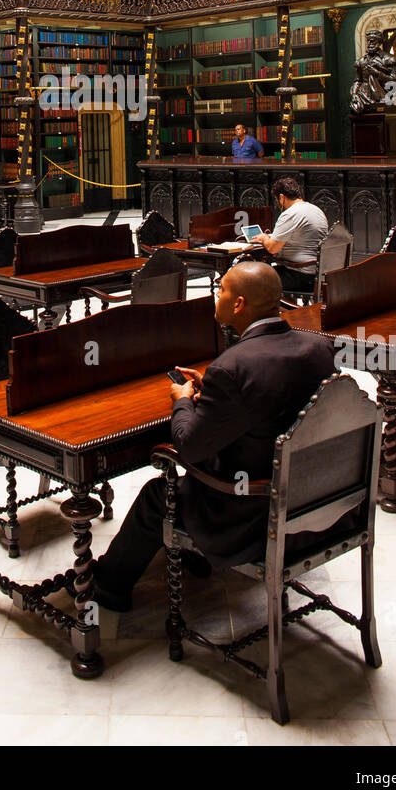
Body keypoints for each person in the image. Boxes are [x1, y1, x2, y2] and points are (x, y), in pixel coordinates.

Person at [91, 262, 336, 611]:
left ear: (238, 305)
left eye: (221, 291)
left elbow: (188, 446)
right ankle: (192, 556)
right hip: (310, 497)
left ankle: (108, 588)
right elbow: (273, 403)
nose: (215, 296)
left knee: (156, 495)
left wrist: (182, 401)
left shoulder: (234, 366)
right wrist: (215, 394)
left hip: (252, 512)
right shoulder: (318, 346)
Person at [258, 176, 328, 295]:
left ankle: (268, 312)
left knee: (254, 279)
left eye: (277, 200)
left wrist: (264, 238)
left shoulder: (291, 213)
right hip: (320, 275)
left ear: (281, 197)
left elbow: (272, 248)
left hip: (301, 275)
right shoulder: (316, 210)